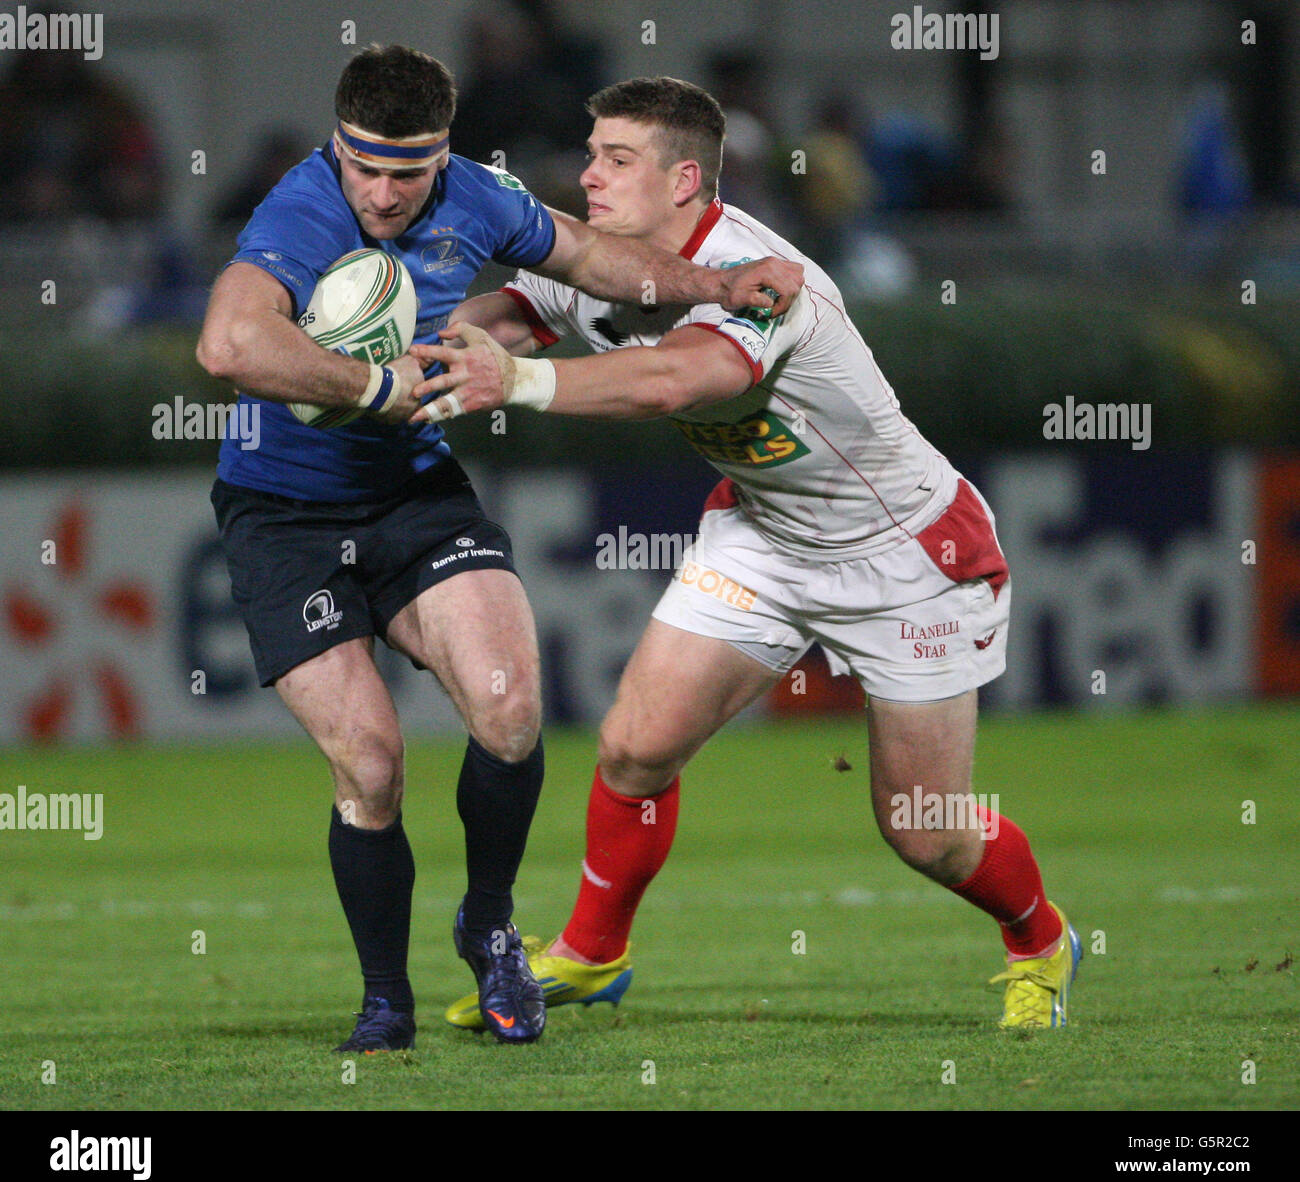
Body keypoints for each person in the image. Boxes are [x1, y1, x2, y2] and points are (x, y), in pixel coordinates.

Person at [416, 76, 1080, 1032]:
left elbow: (677, 378)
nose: (590, 175)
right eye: (591, 152)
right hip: (765, 532)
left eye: (617, 159)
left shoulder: (762, 273)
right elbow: (511, 317)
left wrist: (512, 382)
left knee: (924, 831)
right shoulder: (601, 258)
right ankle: (596, 954)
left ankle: (1041, 940)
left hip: (902, 553)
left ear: (685, 178)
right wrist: (375, 351)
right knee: (636, 749)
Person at [195, 48, 803, 1052]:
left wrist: (716, 281)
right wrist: (376, 390)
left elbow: (596, 261)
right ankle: (385, 1001)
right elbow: (228, 346)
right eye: (366, 170)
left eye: (409, 172)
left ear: (443, 155)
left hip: (416, 496)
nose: (385, 196)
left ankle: (489, 928)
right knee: (374, 764)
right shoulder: (299, 215)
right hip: (282, 518)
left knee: (511, 710)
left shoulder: (476, 197)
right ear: (336, 150)